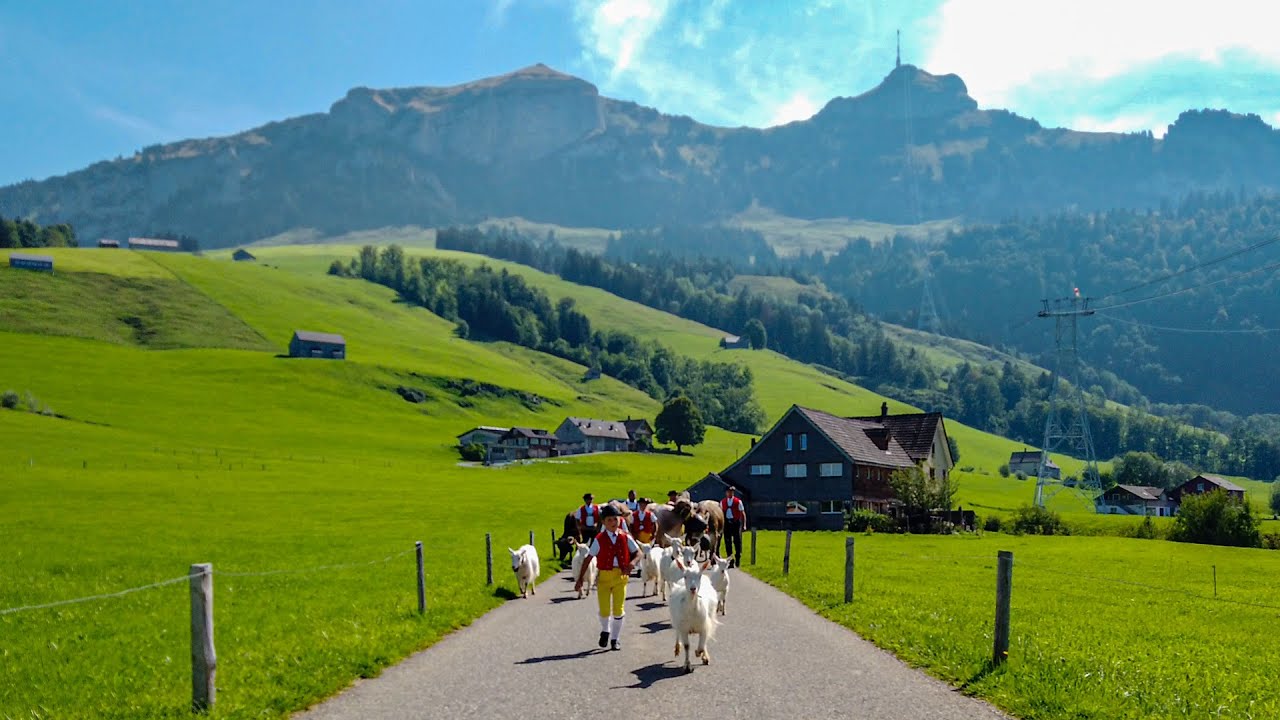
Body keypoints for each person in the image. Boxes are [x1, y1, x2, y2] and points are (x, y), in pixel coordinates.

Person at [575, 503, 638, 651]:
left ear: (619, 521)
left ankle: (615, 639)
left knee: (618, 609)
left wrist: (632, 563)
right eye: (609, 520)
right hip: (603, 577)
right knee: (604, 610)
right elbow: (588, 558)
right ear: (603, 522)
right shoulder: (599, 539)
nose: (613, 523)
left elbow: (638, 552)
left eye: (615, 519)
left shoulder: (625, 537)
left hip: (620, 577)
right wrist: (579, 579)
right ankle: (605, 630)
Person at [720, 486, 747, 568]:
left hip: (735, 523)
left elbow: (743, 513)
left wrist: (744, 525)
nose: (730, 493)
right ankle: (730, 561)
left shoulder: (738, 501)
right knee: (728, 542)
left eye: (731, 492)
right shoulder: (722, 502)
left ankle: (738, 558)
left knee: (737, 541)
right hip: (727, 523)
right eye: (728, 492)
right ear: (726, 493)